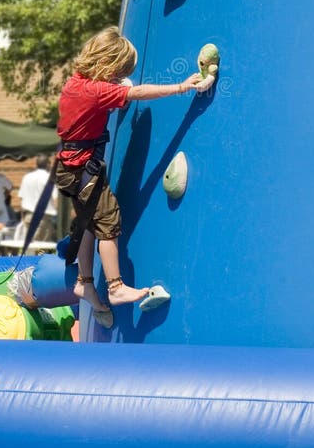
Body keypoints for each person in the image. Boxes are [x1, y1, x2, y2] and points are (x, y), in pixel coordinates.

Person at [56, 25, 202, 327]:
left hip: (70, 168)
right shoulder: (99, 91)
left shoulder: (75, 83)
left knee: (86, 226)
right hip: (86, 170)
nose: (116, 80)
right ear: (108, 67)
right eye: (117, 73)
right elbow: (136, 92)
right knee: (108, 222)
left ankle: (85, 282)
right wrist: (180, 87)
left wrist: (115, 82)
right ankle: (116, 286)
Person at [18, 154, 58, 241]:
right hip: (42, 218)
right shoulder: (49, 178)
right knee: (41, 248)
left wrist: (22, 217)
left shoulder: (26, 177)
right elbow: (55, 199)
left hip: (28, 217)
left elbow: (21, 198)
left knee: (30, 247)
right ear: (48, 164)